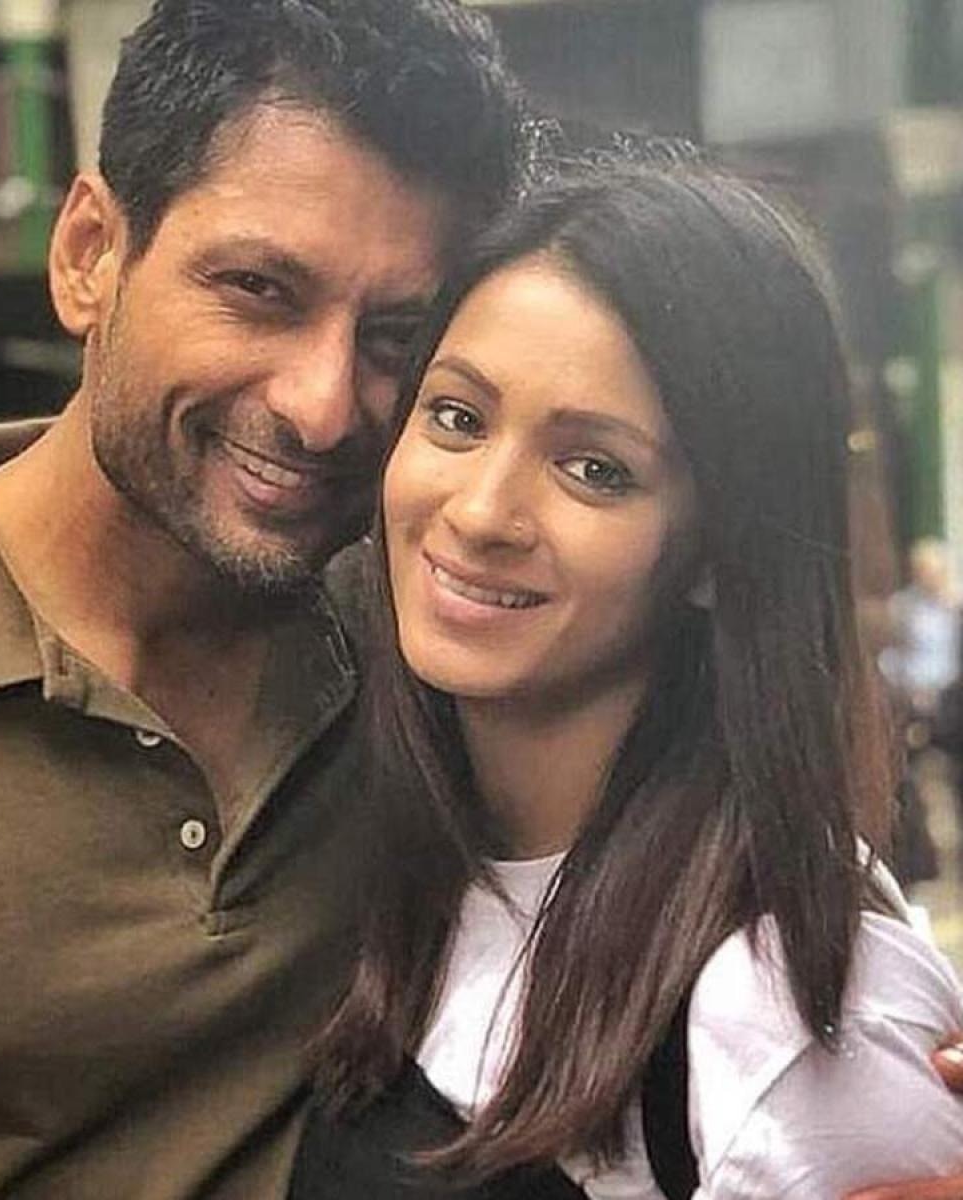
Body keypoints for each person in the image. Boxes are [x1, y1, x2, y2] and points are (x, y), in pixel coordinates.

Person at [0, 2, 522, 1195]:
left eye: (395, 336)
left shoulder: (428, 645)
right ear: (88, 256)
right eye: (259, 288)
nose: (324, 406)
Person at [290, 144, 963, 1198]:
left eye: (594, 469)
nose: (481, 512)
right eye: (458, 417)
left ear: (717, 552)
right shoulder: (387, 856)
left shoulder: (777, 1003)